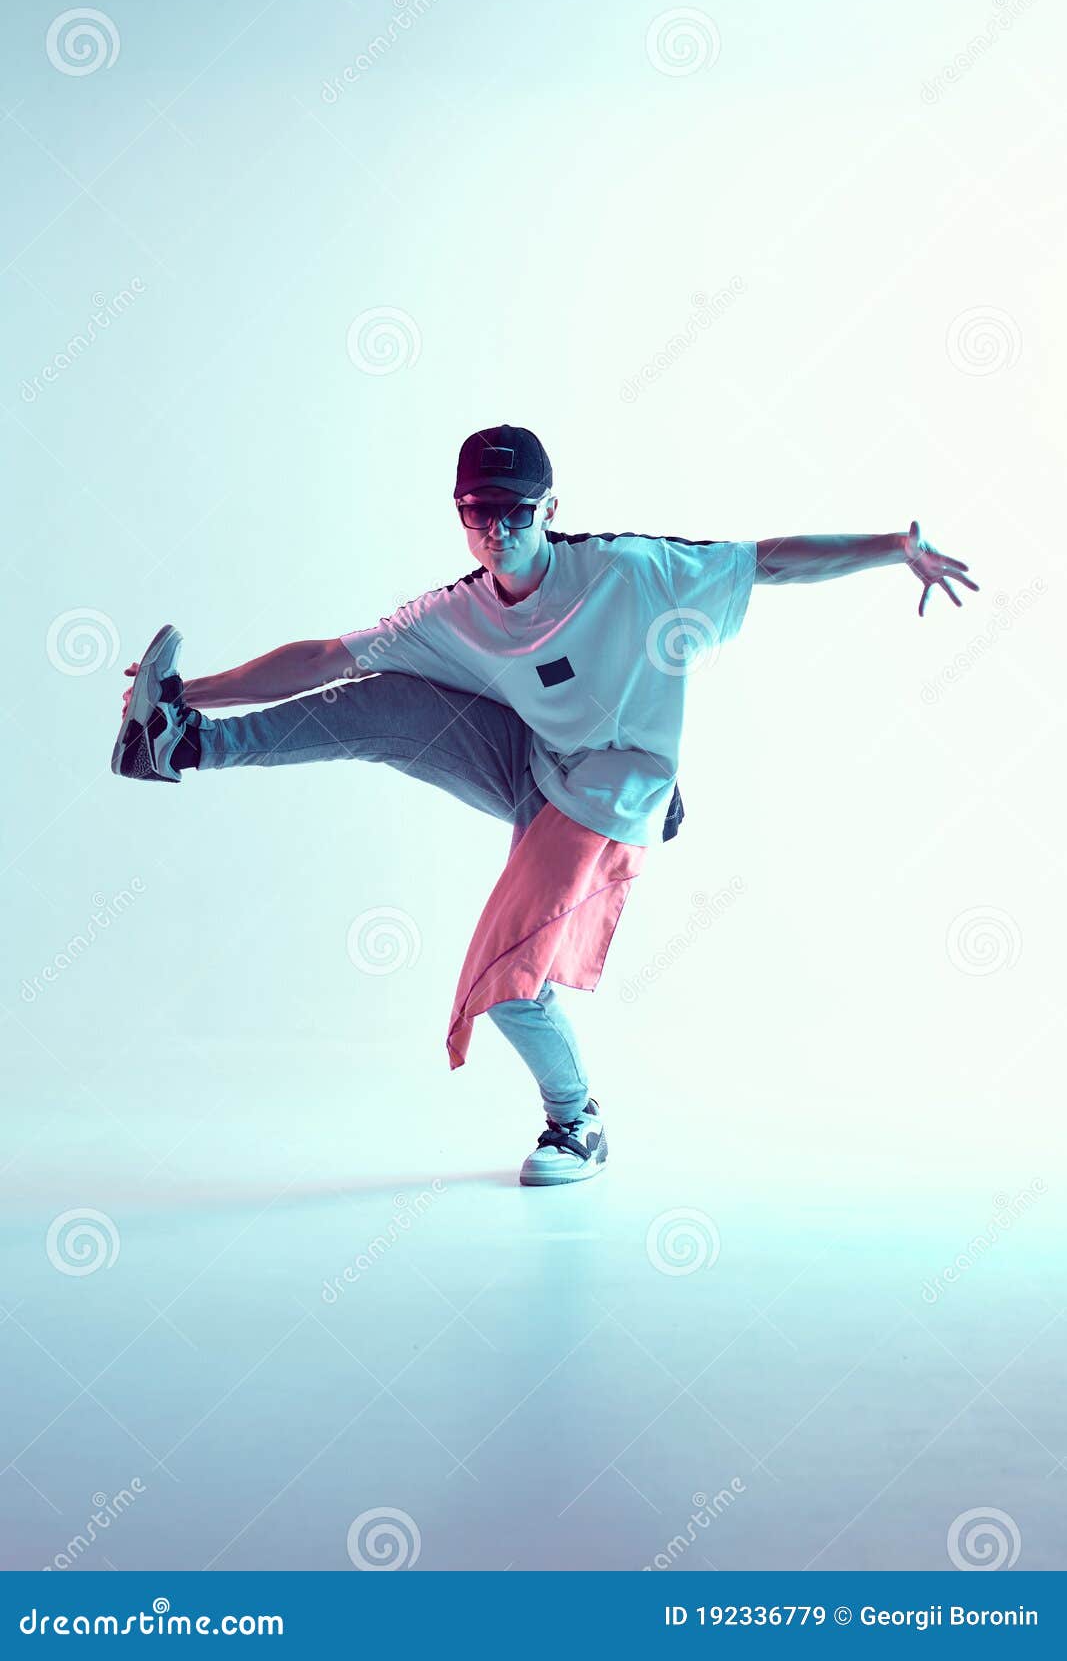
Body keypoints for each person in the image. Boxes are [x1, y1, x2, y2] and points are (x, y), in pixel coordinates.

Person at [112, 425, 978, 1187]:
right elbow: (326, 657)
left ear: (550, 508)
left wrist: (892, 546)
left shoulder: (631, 572)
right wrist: (192, 692)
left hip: (614, 791)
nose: (497, 531)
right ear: (459, 510)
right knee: (376, 693)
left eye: (516, 513)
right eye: (478, 512)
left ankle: (577, 1123)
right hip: (533, 764)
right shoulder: (456, 610)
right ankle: (180, 742)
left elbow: (766, 559)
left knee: (508, 976)